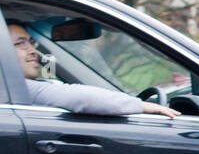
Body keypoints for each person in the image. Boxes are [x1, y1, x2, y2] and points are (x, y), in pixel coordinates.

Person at [9, 23, 180, 117]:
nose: (32, 50)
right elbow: (79, 98)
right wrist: (142, 106)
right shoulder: (16, 88)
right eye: (21, 43)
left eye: (31, 42)